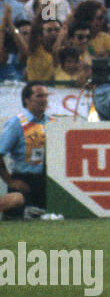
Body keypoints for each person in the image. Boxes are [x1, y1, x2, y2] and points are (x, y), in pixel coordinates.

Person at [0, 82, 50, 220]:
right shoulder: (16, 123)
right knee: (19, 226)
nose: (44, 99)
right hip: (24, 180)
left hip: (47, 182)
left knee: (46, 222)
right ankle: (19, 243)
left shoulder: (52, 123)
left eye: (46, 96)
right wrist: (10, 181)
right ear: (26, 100)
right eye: (39, 96)